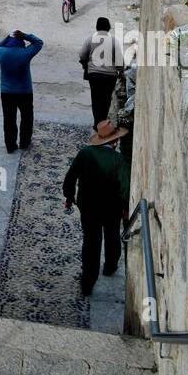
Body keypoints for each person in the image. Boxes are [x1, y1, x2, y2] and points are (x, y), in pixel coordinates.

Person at [62, 119, 130, 296]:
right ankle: (110, 266)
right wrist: (124, 207)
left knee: (91, 242)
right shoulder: (118, 159)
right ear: (114, 141)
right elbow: (124, 186)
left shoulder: (85, 153)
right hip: (111, 208)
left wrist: (69, 196)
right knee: (112, 235)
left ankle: (87, 282)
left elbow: (71, 177)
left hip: (88, 207)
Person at [0, 29, 43, 153]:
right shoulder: (25, 53)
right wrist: (25, 35)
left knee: (9, 119)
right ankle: (24, 143)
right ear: (21, 43)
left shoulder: (1, 53)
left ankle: (10, 145)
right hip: (25, 92)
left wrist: (7, 37)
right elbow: (39, 43)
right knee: (27, 118)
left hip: (7, 92)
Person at [79, 15, 124, 126]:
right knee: (106, 99)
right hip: (110, 76)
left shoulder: (91, 38)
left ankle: (97, 123)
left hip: (94, 75)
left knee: (96, 98)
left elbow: (82, 55)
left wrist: (86, 63)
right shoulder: (114, 40)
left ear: (97, 27)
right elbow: (119, 61)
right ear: (108, 27)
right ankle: (103, 122)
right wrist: (121, 71)